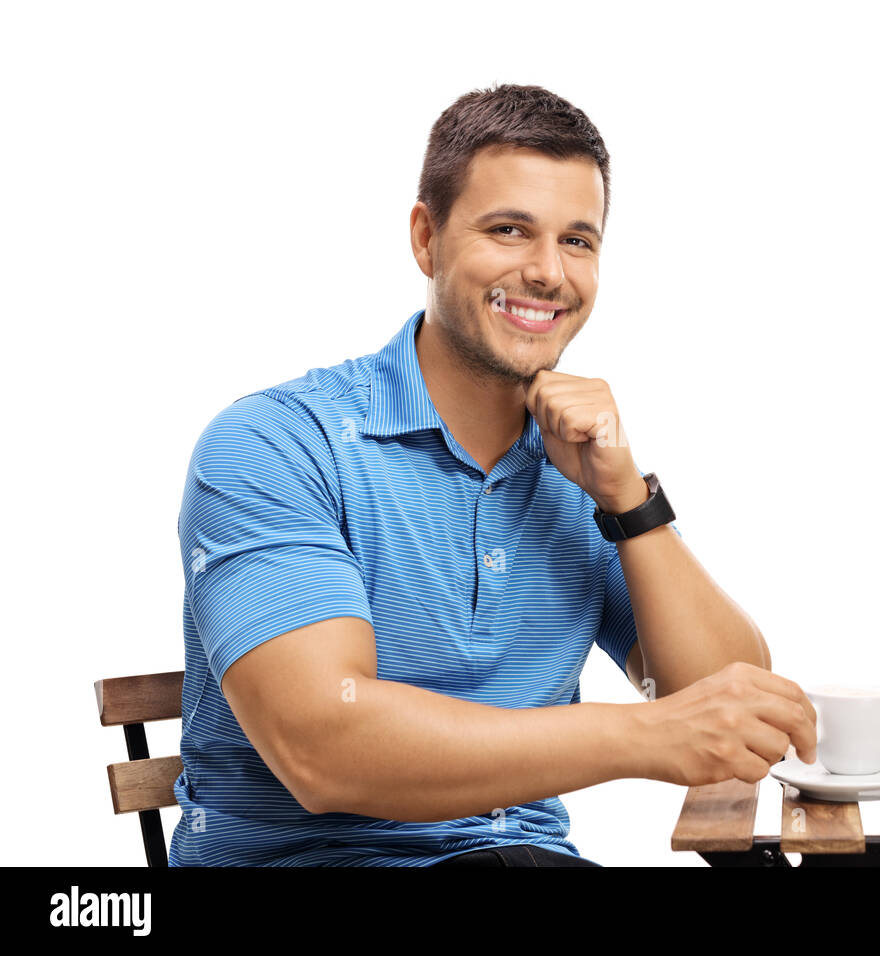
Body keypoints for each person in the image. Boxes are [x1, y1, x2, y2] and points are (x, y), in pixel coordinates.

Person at [169, 83, 816, 867]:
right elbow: (322, 750)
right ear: (425, 238)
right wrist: (642, 736)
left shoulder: (582, 474)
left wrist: (629, 501)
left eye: (578, 241)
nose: (547, 272)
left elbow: (724, 700)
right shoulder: (276, 445)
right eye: (510, 231)